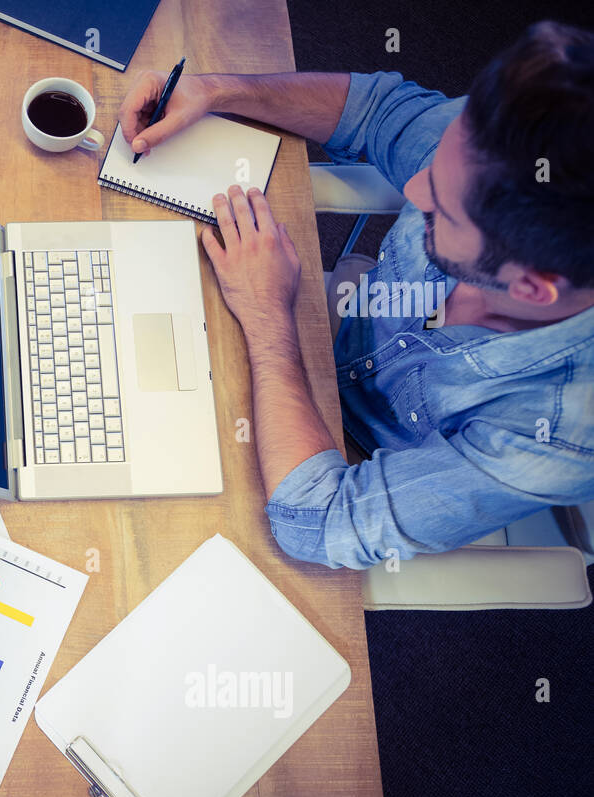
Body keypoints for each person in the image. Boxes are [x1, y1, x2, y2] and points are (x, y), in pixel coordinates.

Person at [119, 21, 594, 570]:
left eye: (441, 208)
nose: (412, 191)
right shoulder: (512, 147)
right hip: (322, 335)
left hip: (353, 460)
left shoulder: (557, 437)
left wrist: (271, 319)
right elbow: (375, 109)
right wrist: (216, 90)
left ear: (533, 287)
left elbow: (315, 521)